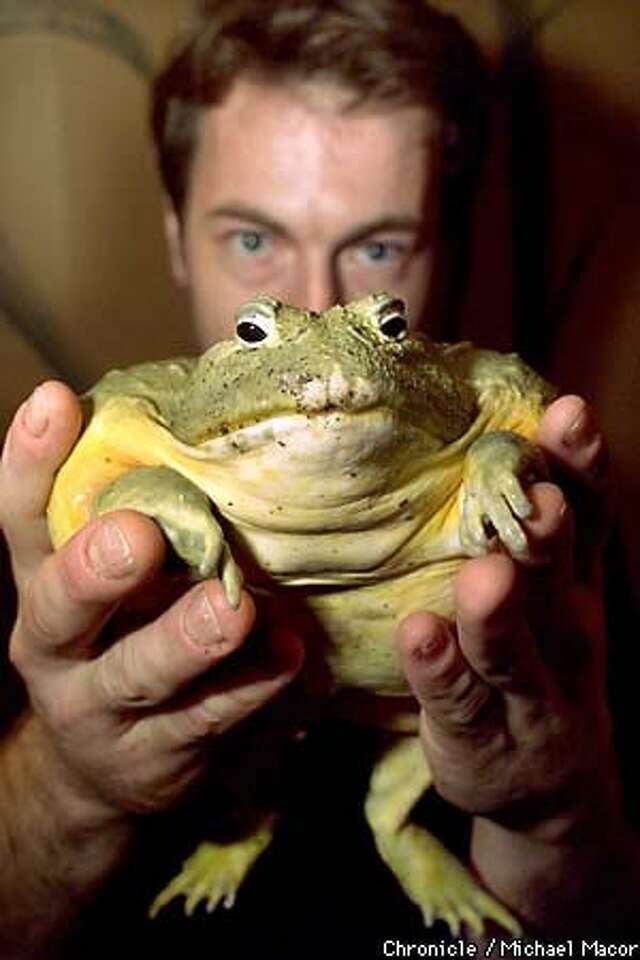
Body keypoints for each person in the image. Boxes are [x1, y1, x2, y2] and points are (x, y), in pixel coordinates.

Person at [0, 1, 638, 955]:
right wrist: (70, 784)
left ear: (446, 250)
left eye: (379, 251)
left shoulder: (576, 540)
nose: (318, 314)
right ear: (174, 235)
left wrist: (553, 821)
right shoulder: (53, 540)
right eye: (254, 241)